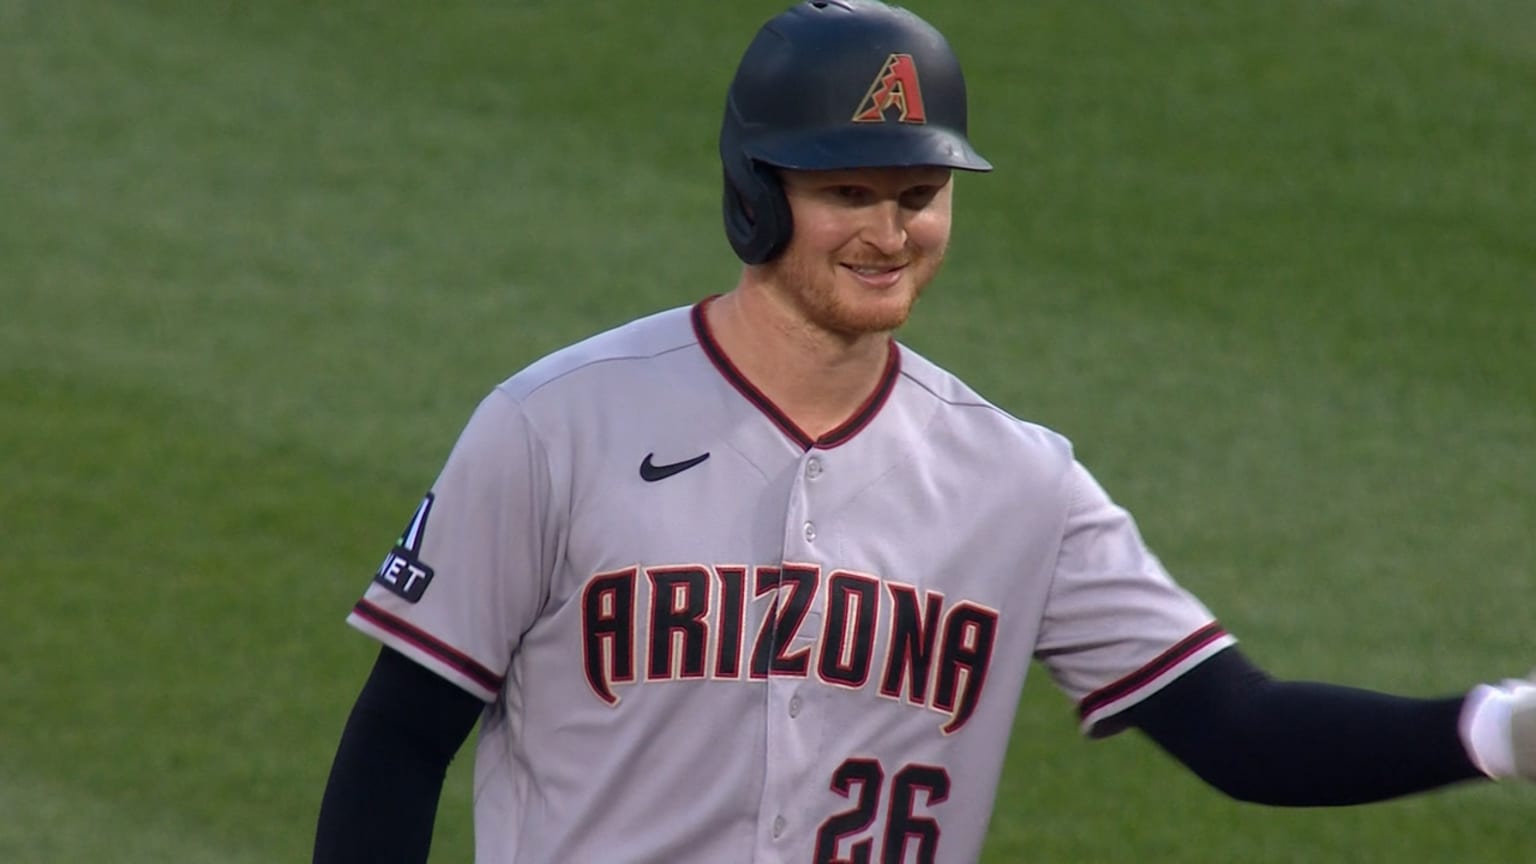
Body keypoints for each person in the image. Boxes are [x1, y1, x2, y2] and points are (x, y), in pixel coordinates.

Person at [313, 2, 1536, 862]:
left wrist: (1496, 729)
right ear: (754, 197)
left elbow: (1239, 731)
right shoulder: (555, 427)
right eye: (847, 192)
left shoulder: (1019, 483)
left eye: (919, 195)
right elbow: (399, 740)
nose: (890, 233)